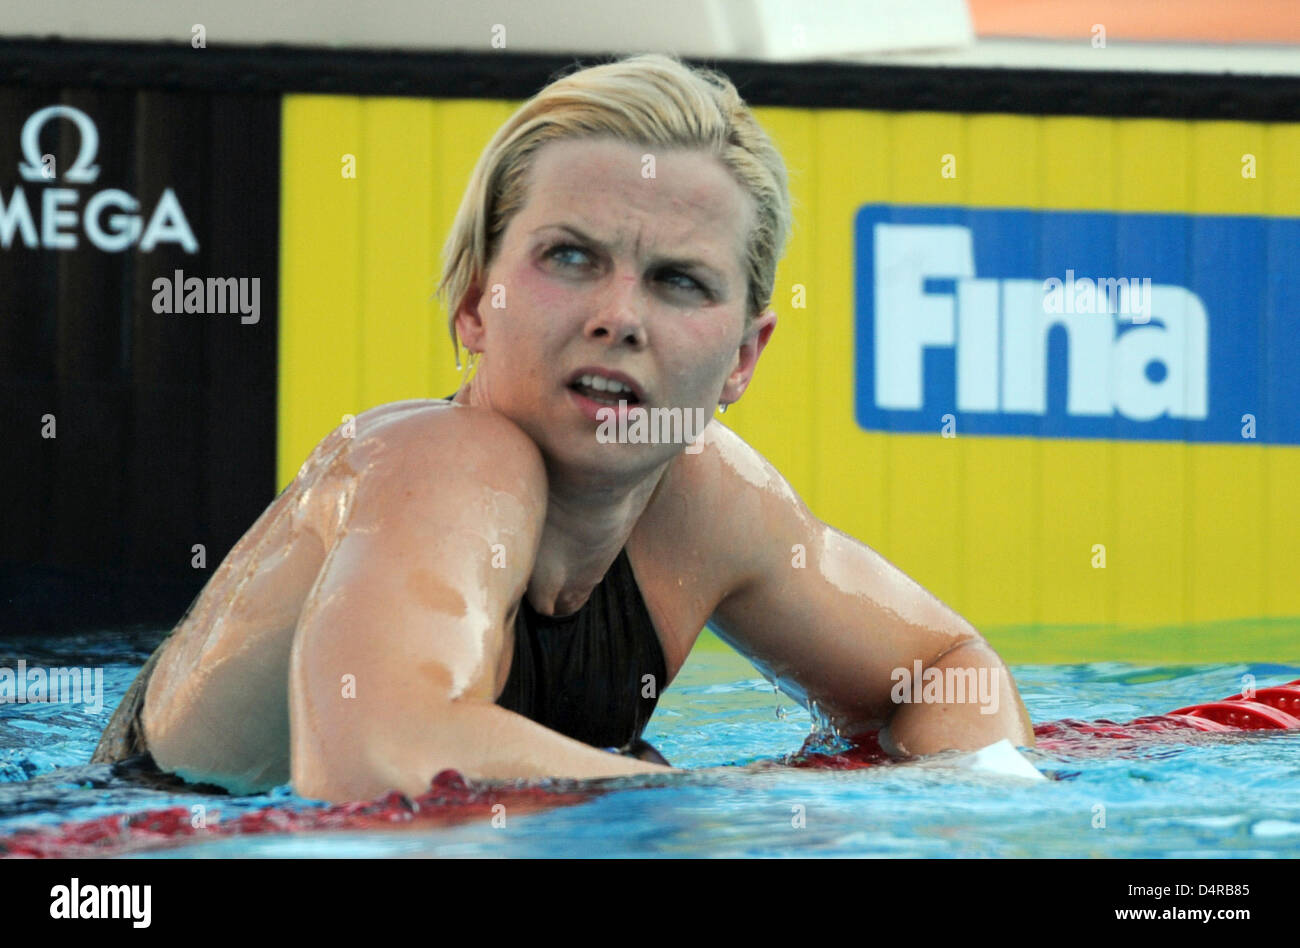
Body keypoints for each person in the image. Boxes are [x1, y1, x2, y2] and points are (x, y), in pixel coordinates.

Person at [91, 53, 1035, 803]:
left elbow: (945, 670)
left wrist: (968, 797)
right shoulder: (444, 463)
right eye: (571, 257)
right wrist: (721, 806)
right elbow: (376, 762)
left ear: (744, 357)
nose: (620, 315)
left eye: (679, 281)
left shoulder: (706, 496)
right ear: (472, 305)